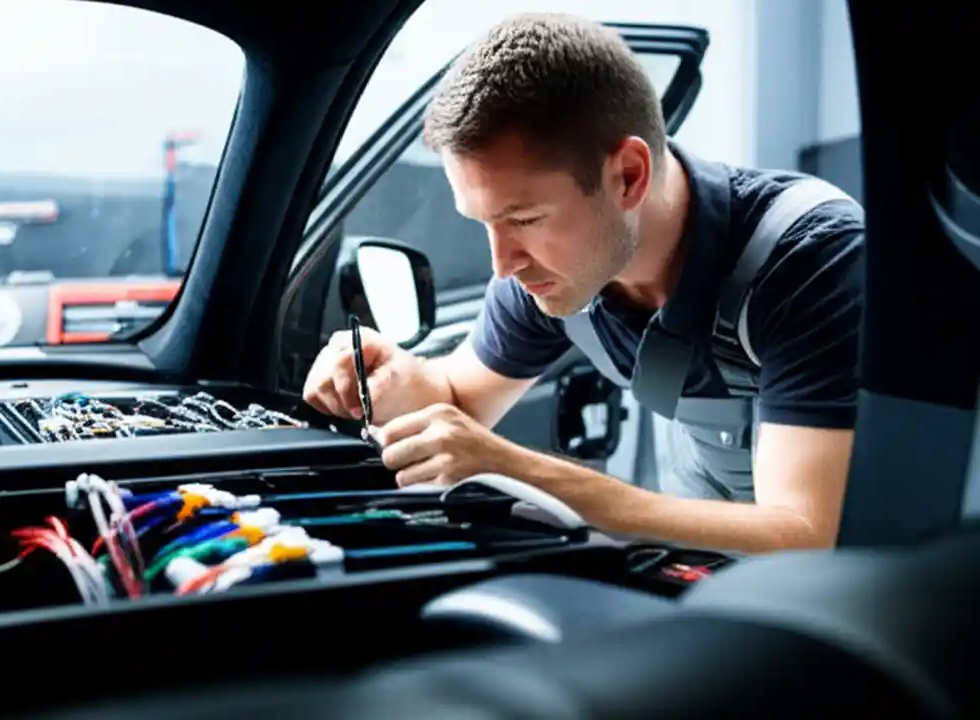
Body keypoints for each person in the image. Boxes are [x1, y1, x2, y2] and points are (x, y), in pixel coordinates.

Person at [302, 12, 864, 554]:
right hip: (707, 572)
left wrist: (521, 470)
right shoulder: (550, 273)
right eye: (486, 224)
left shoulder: (810, 261)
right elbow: (458, 402)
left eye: (524, 219)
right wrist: (392, 379)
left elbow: (806, 533)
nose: (503, 263)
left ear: (628, 176)